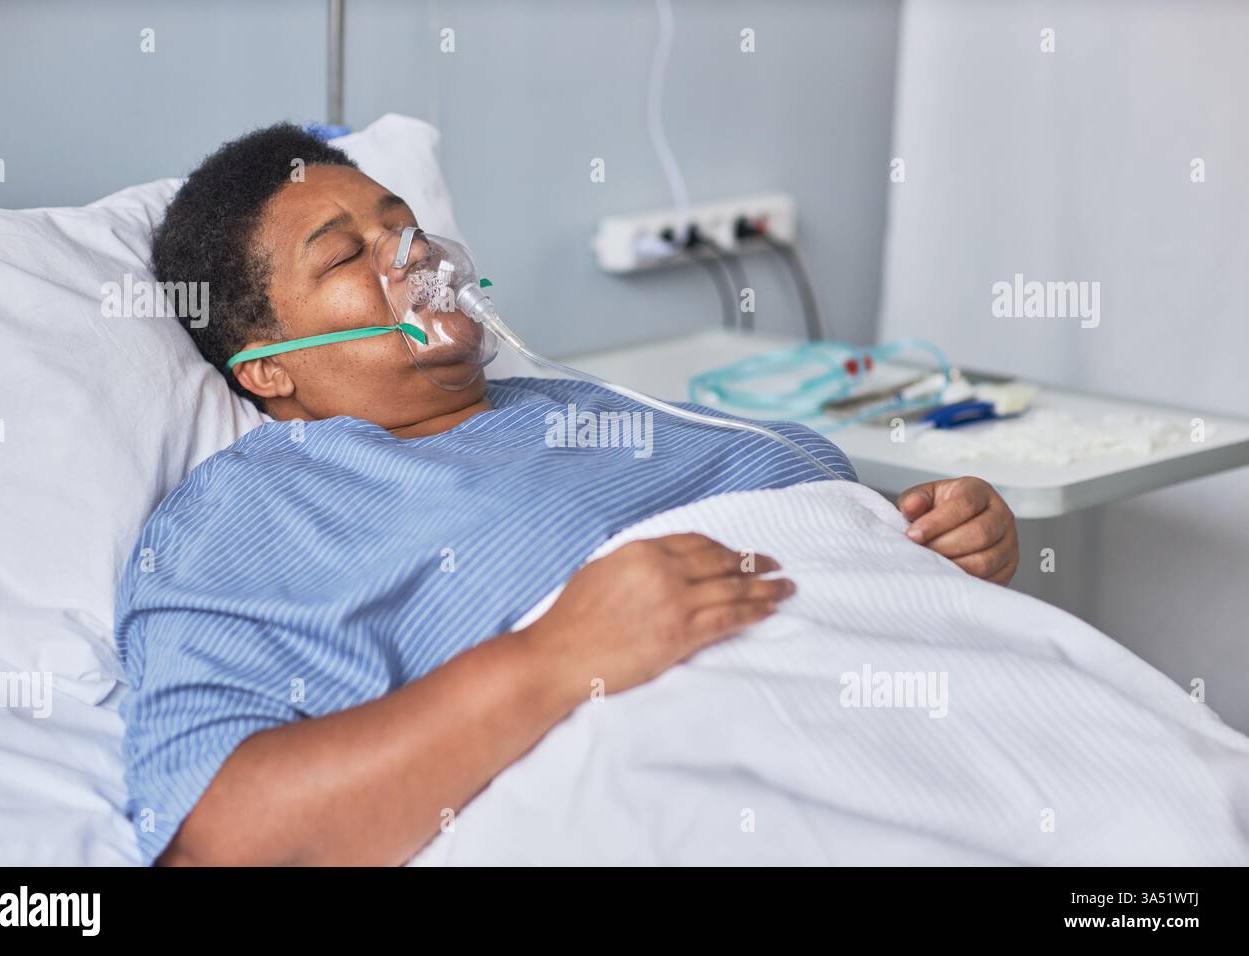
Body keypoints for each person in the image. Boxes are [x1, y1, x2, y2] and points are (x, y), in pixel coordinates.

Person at [117, 124, 1018, 866]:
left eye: (404, 225)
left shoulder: (587, 408)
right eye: (348, 254)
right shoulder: (252, 512)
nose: (410, 250)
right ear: (267, 366)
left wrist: (944, 537)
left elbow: (831, 526)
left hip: (960, 710)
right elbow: (219, 836)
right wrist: (552, 658)